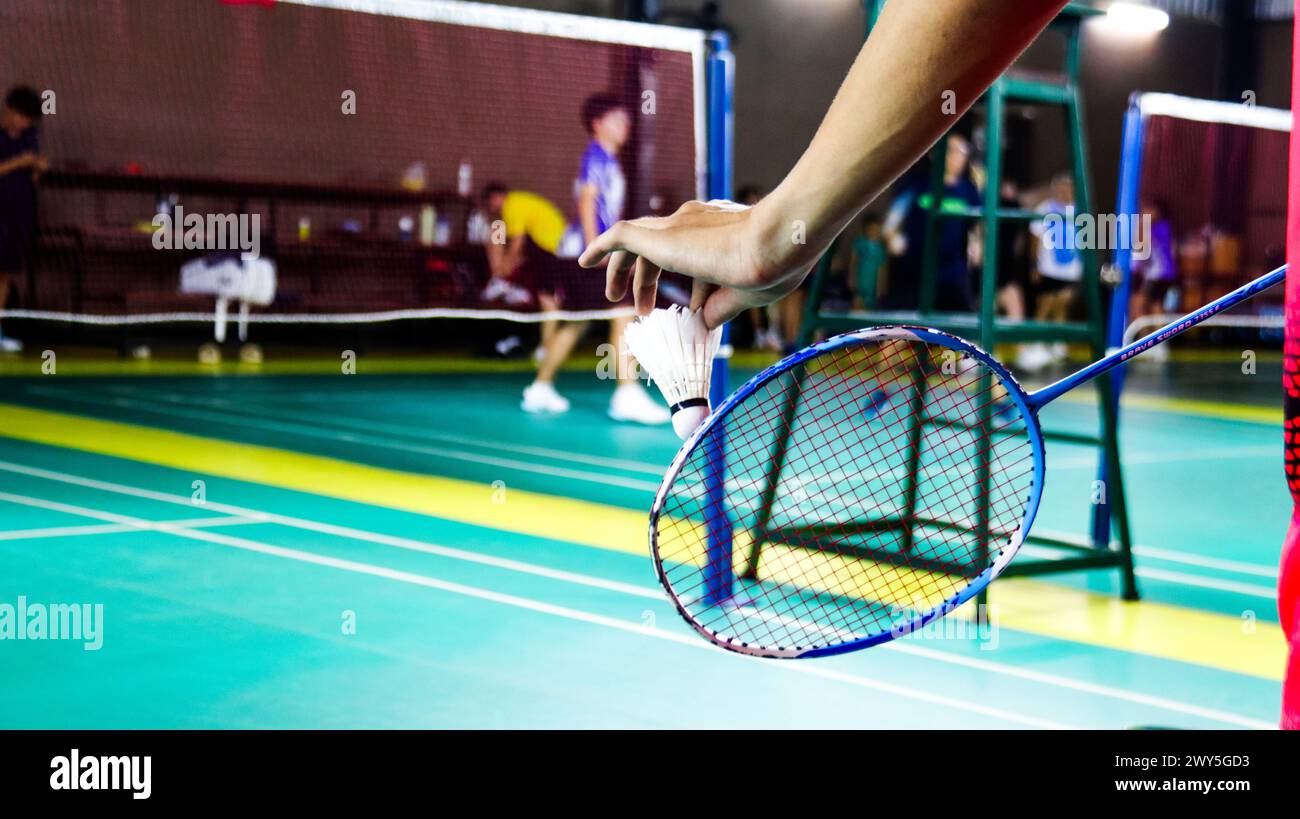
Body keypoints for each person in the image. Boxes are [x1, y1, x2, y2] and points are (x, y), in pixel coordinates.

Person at [520, 93, 667, 423]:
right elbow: (586, 201)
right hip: (587, 254)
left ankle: (539, 388)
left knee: (578, 320)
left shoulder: (606, 161)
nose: (625, 125)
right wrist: (595, 246)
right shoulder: (597, 157)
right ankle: (626, 394)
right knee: (623, 312)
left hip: (580, 252)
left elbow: (582, 203)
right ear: (598, 124)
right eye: (618, 119)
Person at [0, 85, 47, 353]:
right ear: (9, 110)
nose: (25, 123)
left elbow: (34, 176)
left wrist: (37, 168)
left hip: (17, 216)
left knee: (4, 276)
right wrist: (19, 162)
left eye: (29, 119)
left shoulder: (30, 138)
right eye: (22, 116)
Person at [1021, 172, 1083, 366]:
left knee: (1063, 303)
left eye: (1069, 186)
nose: (1066, 190)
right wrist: (1034, 265)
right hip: (1048, 268)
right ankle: (1036, 342)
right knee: (1045, 304)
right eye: (1062, 186)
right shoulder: (1044, 209)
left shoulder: (1080, 211)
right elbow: (1035, 237)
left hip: (1071, 269)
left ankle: (1057, 342)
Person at [1128, 197, 1177, 362]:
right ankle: (1160, 346)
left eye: (1148, 210)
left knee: (1137, 304)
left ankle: (1148, 344)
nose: (1144, 213)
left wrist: (1136, 270)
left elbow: (1142, 253)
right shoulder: (1164, 228)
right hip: (1165, 274)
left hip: (1156, 275)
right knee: (1156, 307)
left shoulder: (1153, 228)